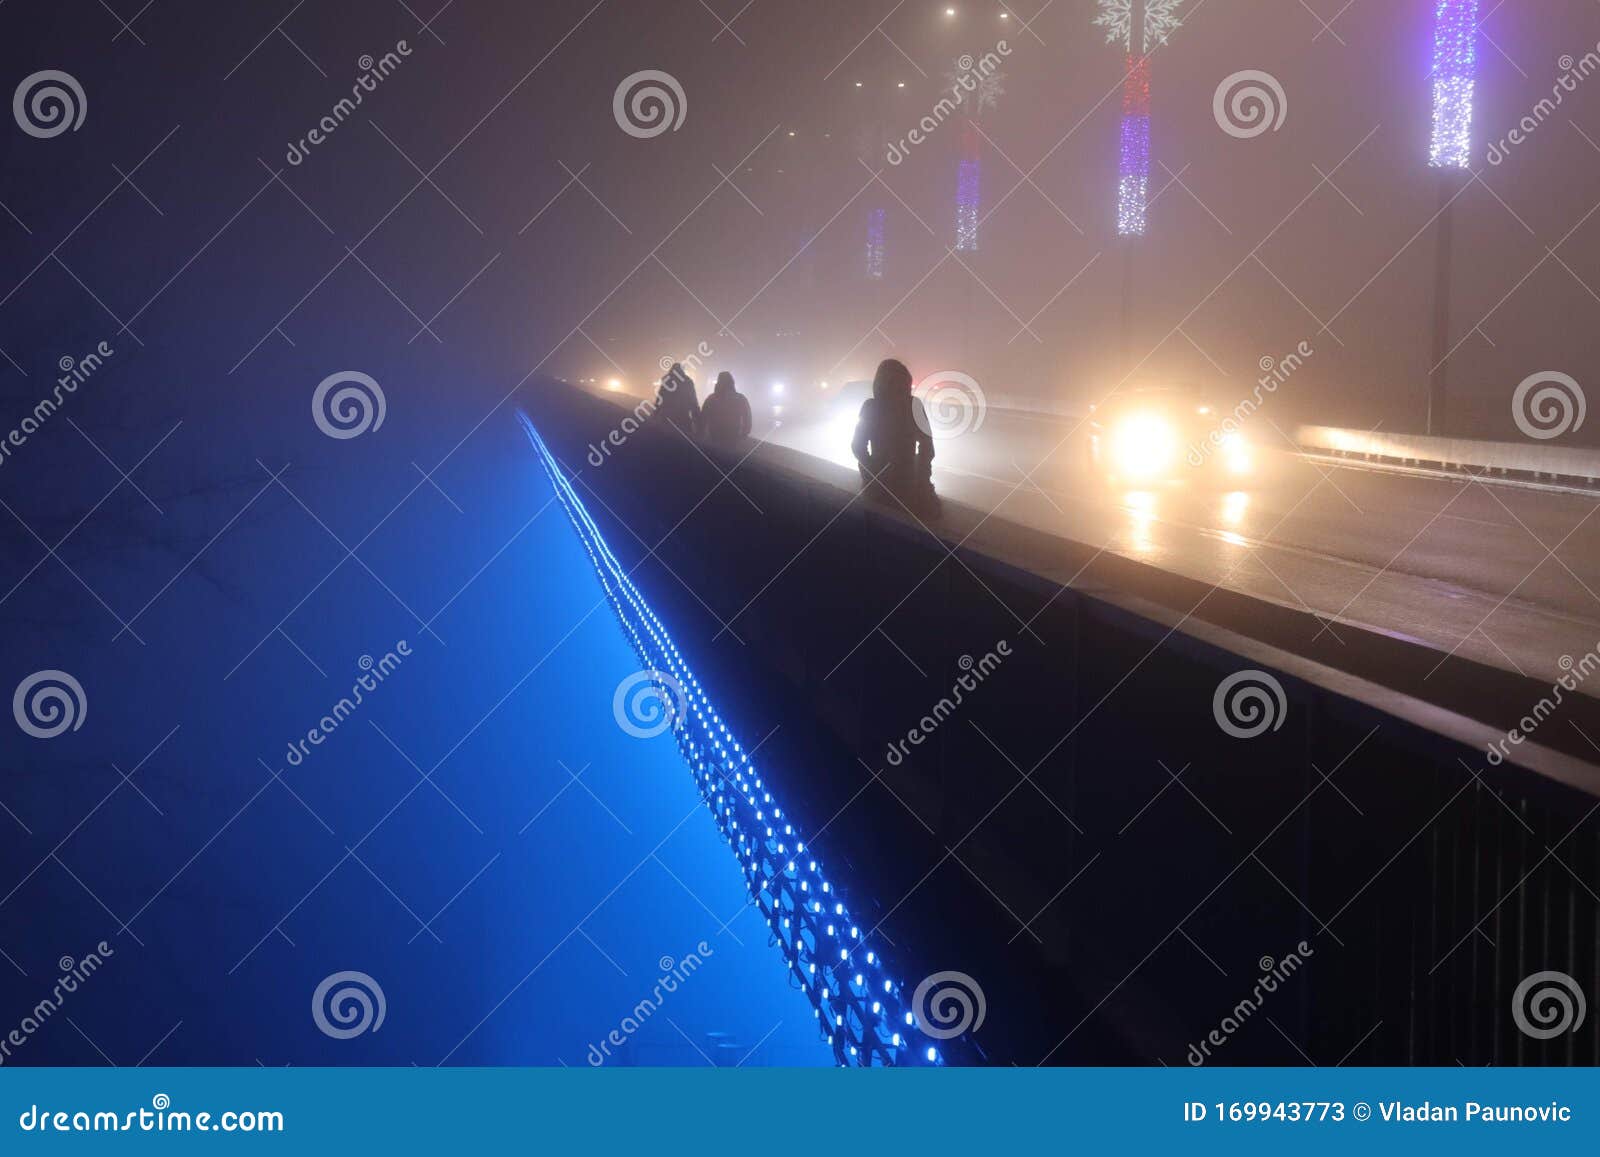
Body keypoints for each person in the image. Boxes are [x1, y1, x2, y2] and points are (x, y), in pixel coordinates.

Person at [851, 358, 934, 495]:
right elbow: (928, 448)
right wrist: (920, 477)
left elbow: (858, 446)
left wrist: (874, 475)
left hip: (879, 487)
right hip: (908, 484)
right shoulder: (914, 406)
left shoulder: (871, 407)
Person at [699, 371, 752, 445]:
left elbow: (703, 418)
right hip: (734, 438)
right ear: (732, 383)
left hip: (714, 438)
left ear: (718, 383)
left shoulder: (711, 398)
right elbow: (747, 418)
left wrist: (702, 432)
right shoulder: (740, 398)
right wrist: (744, 434)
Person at [654, 363, 701, 438]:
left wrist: (655, 414)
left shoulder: (667, 381)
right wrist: (698, 421)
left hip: (667, 418)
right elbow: (693, 402)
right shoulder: (687, 382)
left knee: (664, 441)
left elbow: (659, 399)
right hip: (682, 419)